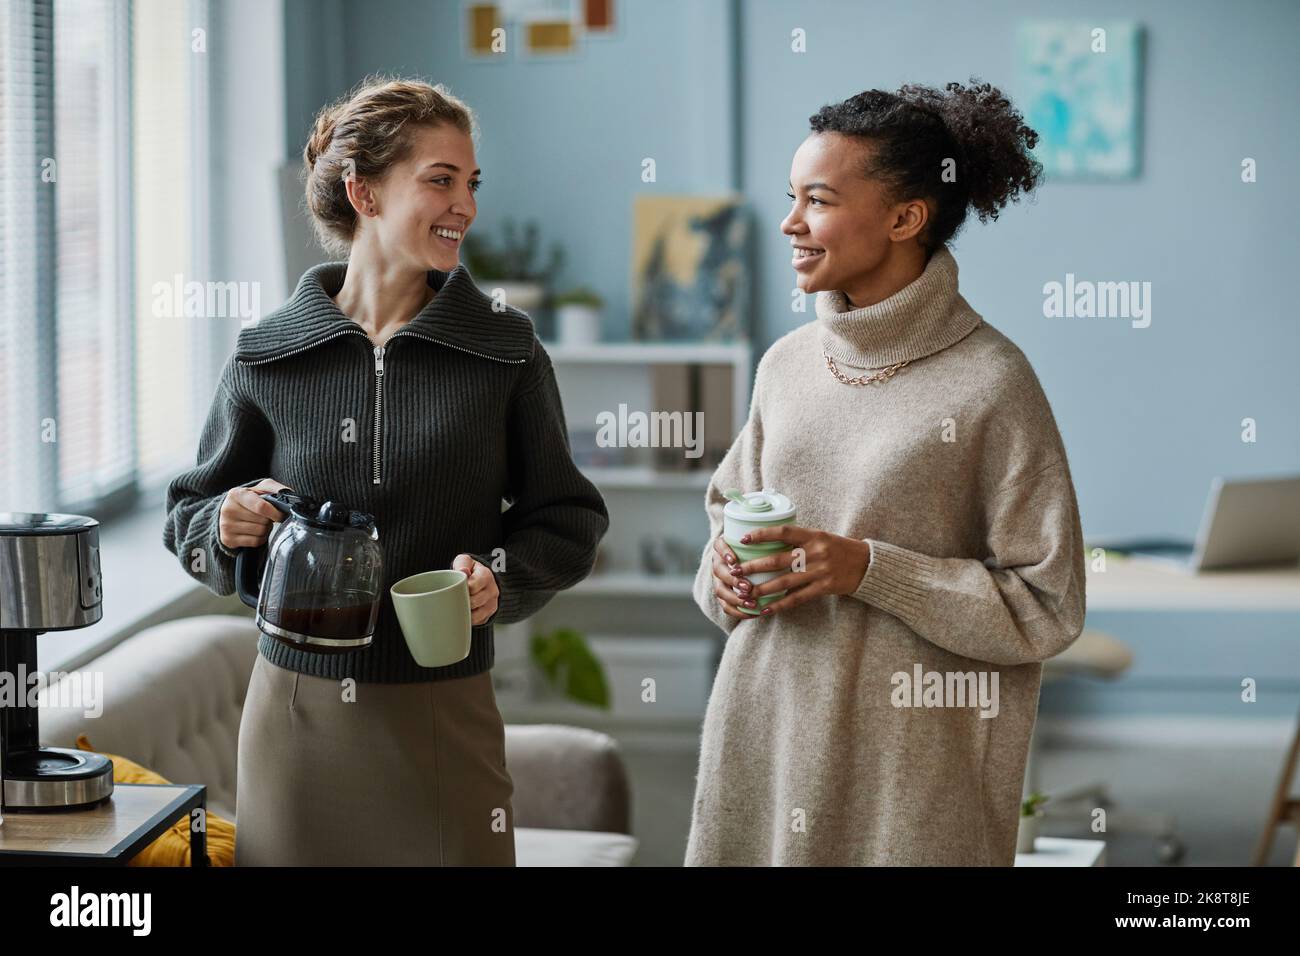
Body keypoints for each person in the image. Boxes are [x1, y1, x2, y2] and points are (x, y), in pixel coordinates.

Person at [162, 76, 609, 866]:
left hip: (444, 708)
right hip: (296, 717)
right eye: (439, 180)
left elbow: (568, 517)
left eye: (471, 183)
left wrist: (499, 577)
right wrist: (224, 522)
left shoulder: (504, 349)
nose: (464, 205)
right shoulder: (268, 352)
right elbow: (190, 510)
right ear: (363, 191)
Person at [686, 80, 1087, 866]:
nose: (790, 223)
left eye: (819, 200)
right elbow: (724, 522)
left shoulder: (992, 382)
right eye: (792, 197)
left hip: (910, 770)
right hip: (763, 736)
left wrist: (869, 569)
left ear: (906, 218)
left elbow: (1048, 605)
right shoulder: (786, 365)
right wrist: (723, 575)